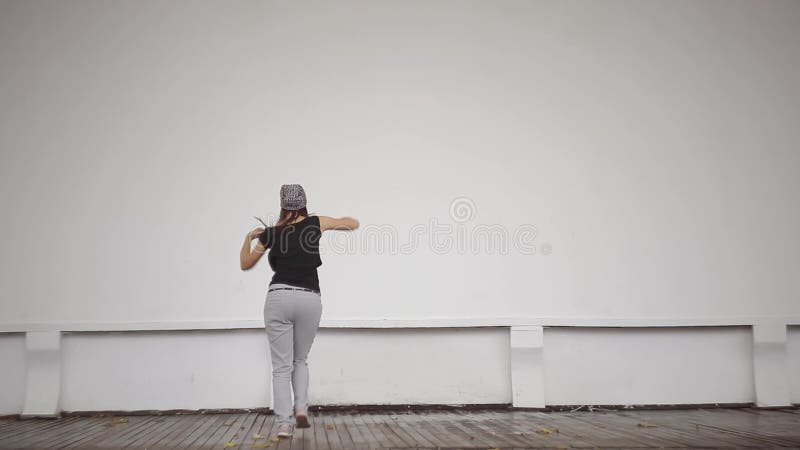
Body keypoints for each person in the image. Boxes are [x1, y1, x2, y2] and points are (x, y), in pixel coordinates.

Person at [239, 184, 359, 438]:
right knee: (300, 359)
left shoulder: (271, 234)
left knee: (281, 367)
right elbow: (352, 223)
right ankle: (301, 408)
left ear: (282, 205)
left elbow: (246, 263)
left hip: (278, 297)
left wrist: (249, 238)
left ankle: (284, 424)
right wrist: (334, 222)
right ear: (304, 203)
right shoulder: (316, 223)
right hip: (309, 298)